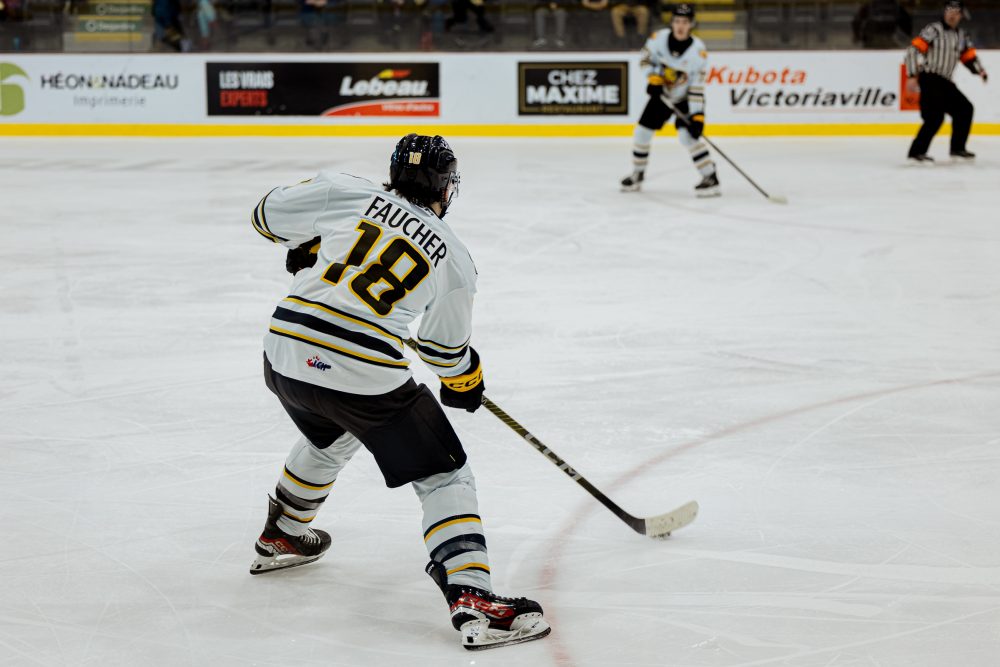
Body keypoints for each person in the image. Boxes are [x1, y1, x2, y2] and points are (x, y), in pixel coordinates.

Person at [247, 134, 551, 651]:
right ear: (444, 187)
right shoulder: (454, 256)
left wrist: (312, 245)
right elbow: (443, 351)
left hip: (284, 351)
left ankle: (282, 535)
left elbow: (264, 216)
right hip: (356, 367)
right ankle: (473, 596)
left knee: (332, 436)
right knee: (443, 473)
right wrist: (466, 379)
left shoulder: (345, 191)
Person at [621, 3, 719, 197]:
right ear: (672, 23)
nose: (680, 26)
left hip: (684, 98)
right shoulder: (659, 39)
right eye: (677, 21)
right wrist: (653, 78)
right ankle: (638, 173)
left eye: (684, 22)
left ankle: (710, 176)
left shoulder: (698, 52)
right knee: (642, 133)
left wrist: (697, 115)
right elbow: (645, 59)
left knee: (687, 136)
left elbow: (696, 87)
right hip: (662, 96)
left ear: (691, 24)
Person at [904, 0, 988, 163]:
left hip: (945, 81)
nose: (952, 15)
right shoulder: (933, 30)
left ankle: (957, 148)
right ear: (944, 12)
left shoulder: (962, 35)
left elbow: (969, 57)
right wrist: (912, 75)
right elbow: (913, 50)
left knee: (965, 109)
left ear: (962, 15)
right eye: (949, 11)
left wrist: (980, 71)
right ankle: (916, 152)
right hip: (930, 78)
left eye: (956, 12)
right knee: (934, 117)